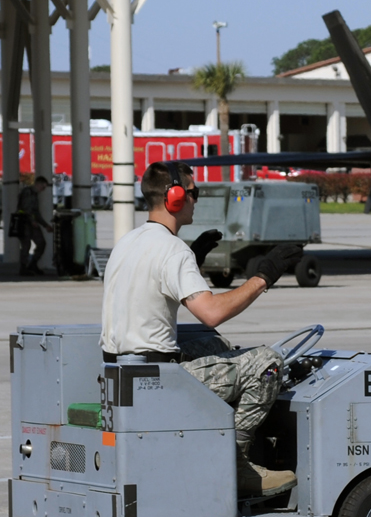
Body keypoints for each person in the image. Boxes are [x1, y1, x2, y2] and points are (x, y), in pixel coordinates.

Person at [101, 161, 304, 499]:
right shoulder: (172, 251)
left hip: (123, 372)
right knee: (268, 363)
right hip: (157, 382)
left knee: (215, 346)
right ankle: (238, 464)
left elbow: (148, 291)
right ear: (175, 198)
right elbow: (212, 313)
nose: (197, 200)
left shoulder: (128, 242)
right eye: (194, 194)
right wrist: (263, 276)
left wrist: (191, 259)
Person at [16, 176, 54, 276]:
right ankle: (23, 268)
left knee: (41, 243)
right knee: (26, 245)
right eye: (43, 186)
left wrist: (45, 225)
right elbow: (25, 208)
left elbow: (36, 213)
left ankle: (33, 265)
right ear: (38, 184)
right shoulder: (27, 192)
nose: (43, 189)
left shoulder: (34, 194)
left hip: (32, 224)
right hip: (24, 222)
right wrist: (32, 221)